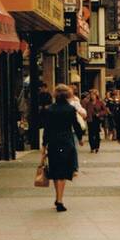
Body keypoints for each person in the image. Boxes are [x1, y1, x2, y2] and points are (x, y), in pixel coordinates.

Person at [42, 84, 84, 212]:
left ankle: (58, 197)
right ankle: (59, 199)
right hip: (66, 142)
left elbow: (47, 128)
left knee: (55, 170)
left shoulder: (50, 110)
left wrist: (44, 145)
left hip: (54, 142)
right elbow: (76, 125)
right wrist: (80, 138)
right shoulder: (70, 109)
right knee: (64, 171)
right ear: (67, 95)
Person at [82, 89, 108, 153]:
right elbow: (84, 110)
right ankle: (92, 147)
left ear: (96, 95)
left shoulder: (100, 102)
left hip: (97, 119)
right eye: (91, 95)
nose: (92, 96)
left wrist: (99, 114)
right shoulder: (88, 103)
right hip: (90, 119)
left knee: (96, 133)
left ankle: (97, 146)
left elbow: (105, 111)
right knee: (91, 134)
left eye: (93, 95)